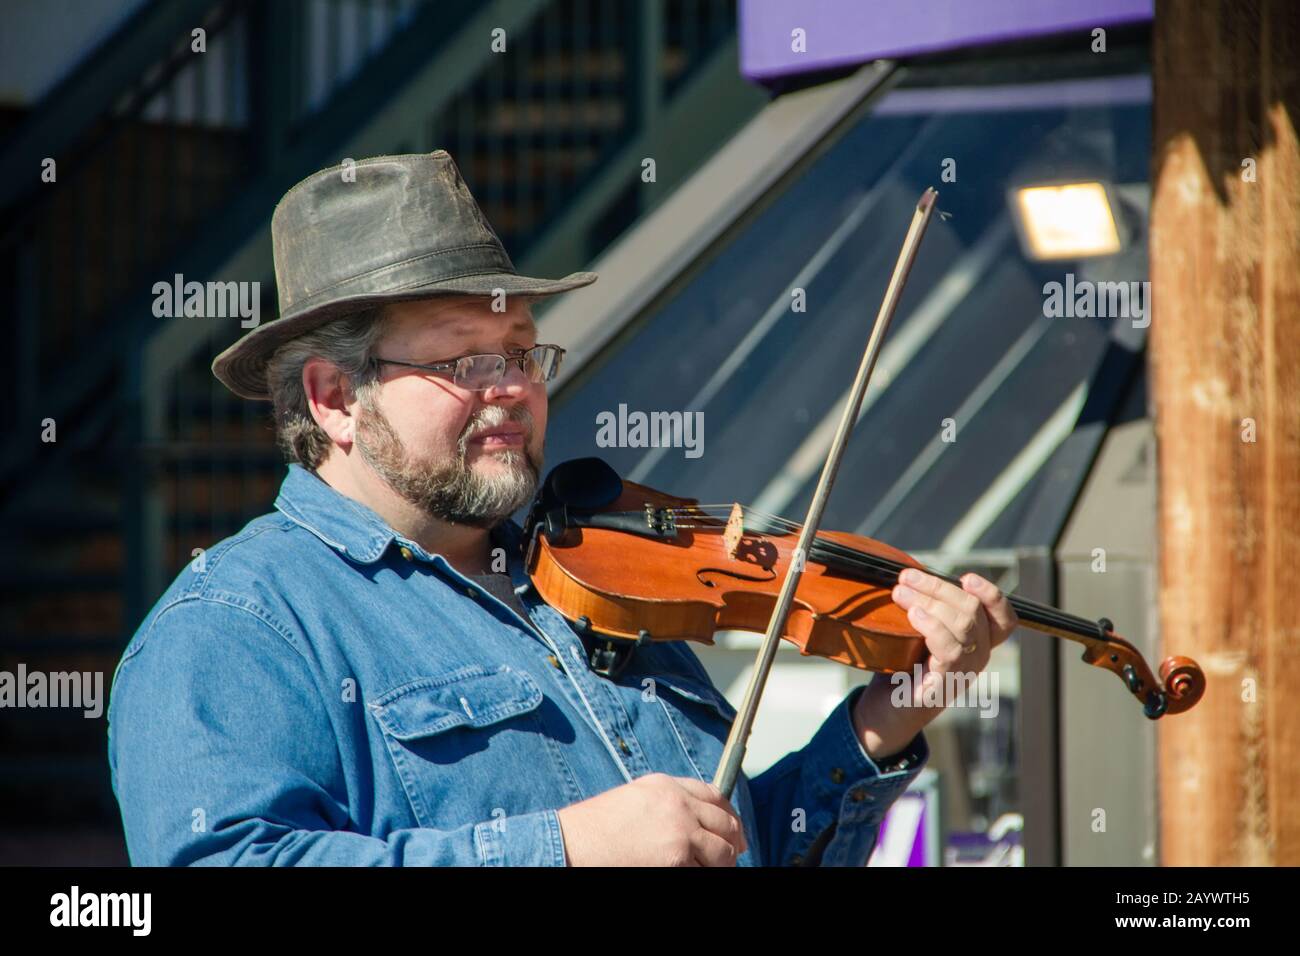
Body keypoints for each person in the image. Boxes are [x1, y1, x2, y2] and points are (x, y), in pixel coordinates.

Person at [107, 150, 1017, 866]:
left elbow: (735, 847)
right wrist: (569, 849)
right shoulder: (237, 626)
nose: (510, 387)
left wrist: (885, 720)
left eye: (519, 350)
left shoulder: (594, 576)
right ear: (335, 398)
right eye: (464, 359)